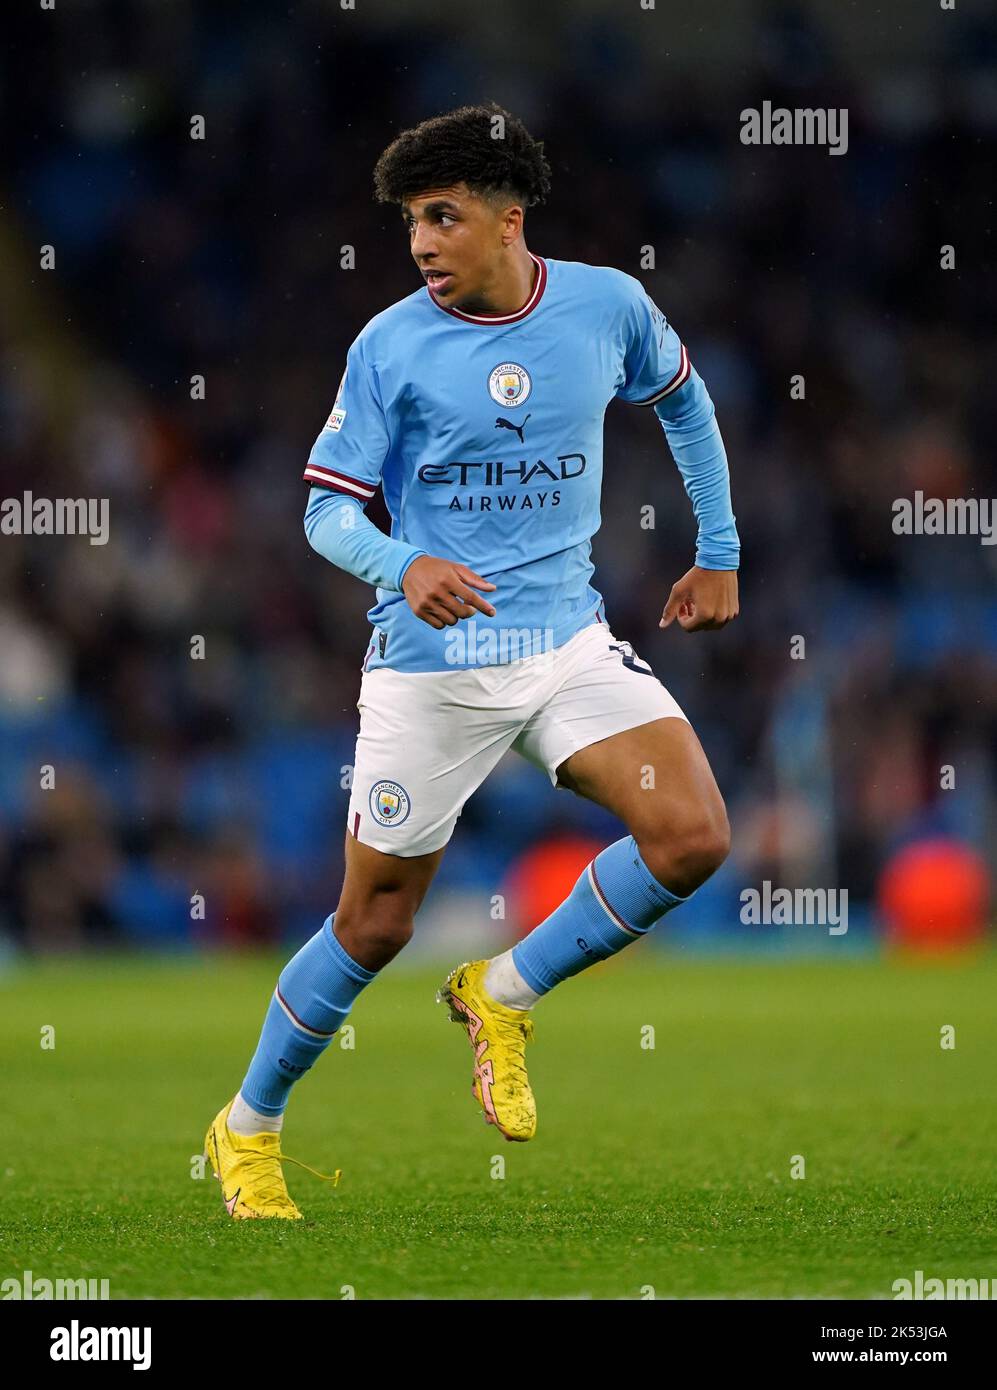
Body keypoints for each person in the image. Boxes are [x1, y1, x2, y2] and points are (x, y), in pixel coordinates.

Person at [204, 102, 739, 1219]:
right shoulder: (390, 345)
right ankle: (247, 1126)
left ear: (509, 217)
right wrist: (401, 565)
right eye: (411, 224)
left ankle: (502, 989)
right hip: (429, 665)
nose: (423, 244)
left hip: (562, 643)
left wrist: (720, 551)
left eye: (442, 217)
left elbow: (683, 401)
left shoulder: (605, 307)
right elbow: (323, 509)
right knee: (374, 925)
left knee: (691, 835)